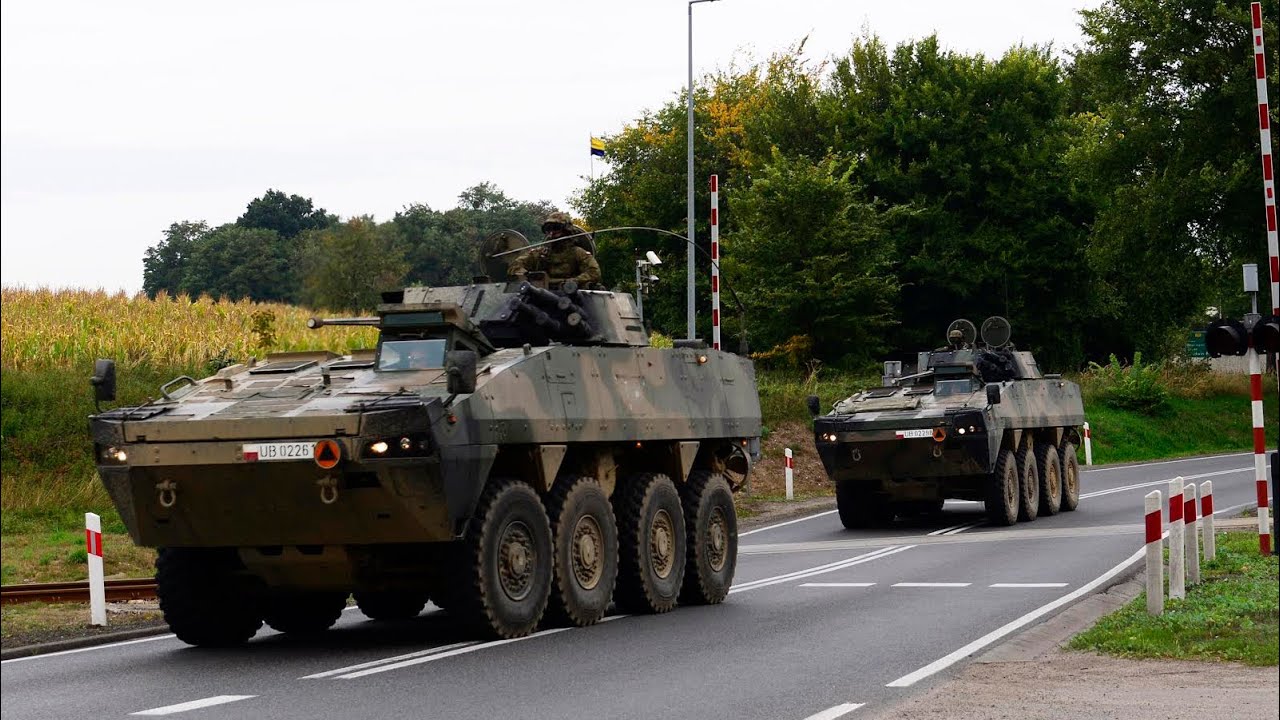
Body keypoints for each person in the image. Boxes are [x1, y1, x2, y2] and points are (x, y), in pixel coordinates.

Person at [508, 212, 601, 286]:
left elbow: (594, 272)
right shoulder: (540, 253)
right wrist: (529, 277)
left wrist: (574, 281)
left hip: (572, 297)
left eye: (556, 228)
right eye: (548, 229)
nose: (551, 233)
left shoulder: (578, 253)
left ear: (566, 230)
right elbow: (514, 267)